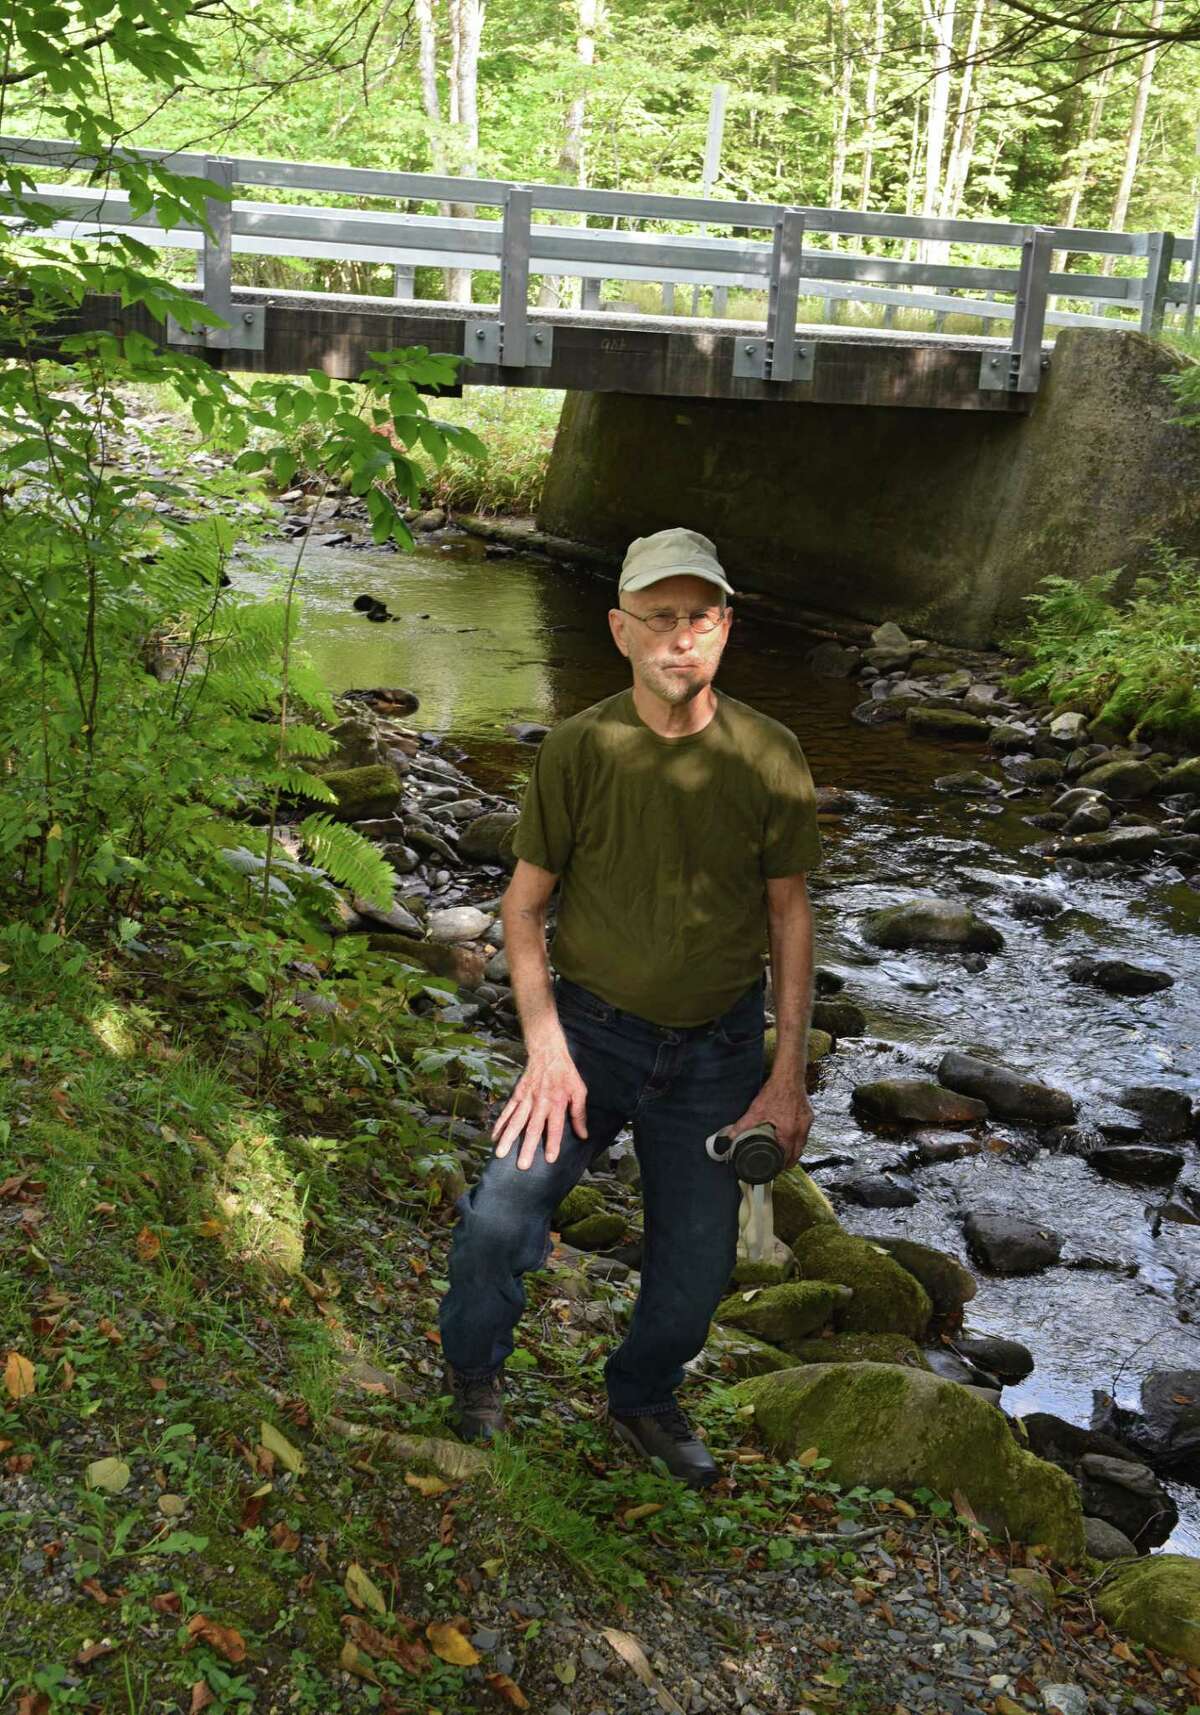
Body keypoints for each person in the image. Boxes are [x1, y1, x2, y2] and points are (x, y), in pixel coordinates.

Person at [436, 526, 822, 1488]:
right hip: (590, 1036)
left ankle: (643, 1396)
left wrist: (786, 1077)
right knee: (496, 1223)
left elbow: (789, 916)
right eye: (660, 617)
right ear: (620, 629)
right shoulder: (580, 749)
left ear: (724, 629)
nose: (679, 637)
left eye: (699, 617)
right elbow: (522, 908)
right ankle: (471, 1379)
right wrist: (545, 1048)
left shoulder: (771, 755)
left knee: (694, 1284)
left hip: (719, 1056)